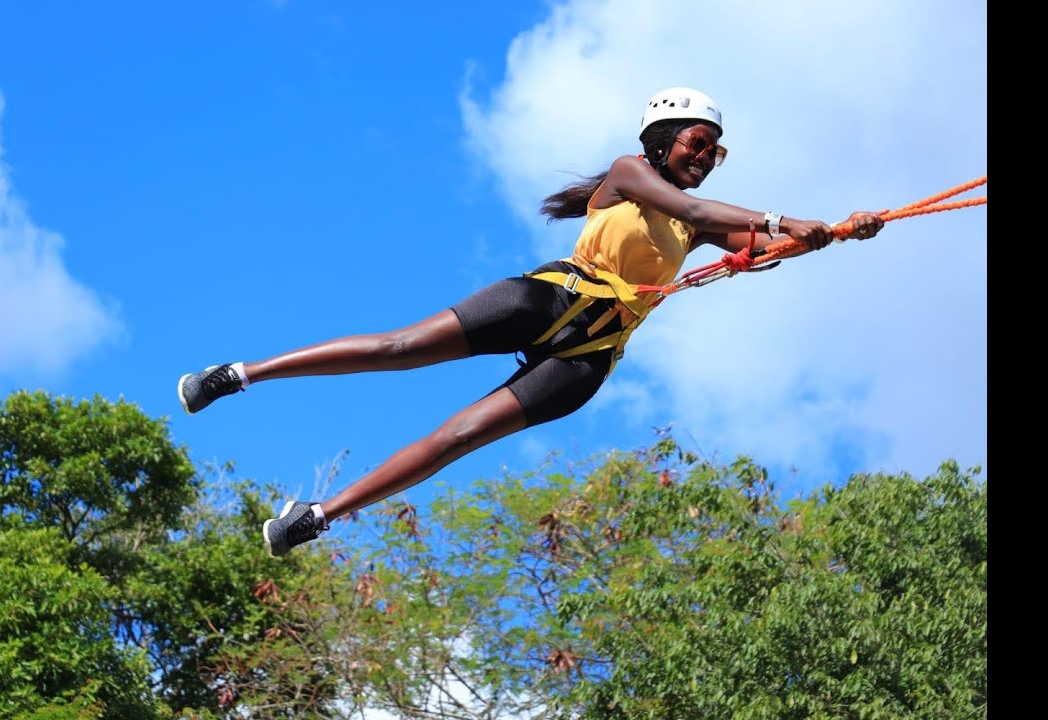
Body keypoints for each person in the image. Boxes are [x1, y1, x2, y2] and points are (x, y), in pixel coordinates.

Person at [176, 87, 885, 557]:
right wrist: (782, 220)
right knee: (400, 348)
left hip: (591, 354)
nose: (703, 157)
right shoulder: (628, 174)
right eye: (697, 143)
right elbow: (707, 215)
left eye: (714, 150)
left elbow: (754, 251)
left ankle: (317, 516)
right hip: (547, 299)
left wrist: (830, 235)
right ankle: (238, 374)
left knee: (458, 437)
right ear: (662, 138)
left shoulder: (692, 230)